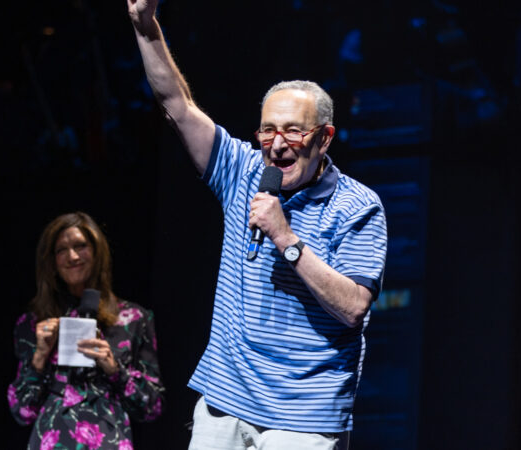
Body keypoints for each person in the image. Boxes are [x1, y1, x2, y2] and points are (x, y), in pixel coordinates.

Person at [127, 2, 388, 449]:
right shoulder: (242, 173)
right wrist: (144, 25)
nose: (277, 145)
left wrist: (286, 238)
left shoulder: (358, 206)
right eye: (268, 131)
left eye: (293, 131)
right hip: (226, 399)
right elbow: (177, 105)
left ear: (324, 138)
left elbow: (354, 307)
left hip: (304, 416)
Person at [8, 212, 164, 450]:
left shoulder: (133, 319)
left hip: (108, 440)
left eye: (81, 246)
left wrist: (115, 370)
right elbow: (22, 412)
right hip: (53, 440)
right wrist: (39, 358)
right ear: (51, 261)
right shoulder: (33, 324)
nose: (72, 256)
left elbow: (152, 409)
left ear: (97, 252)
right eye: (61, 250)